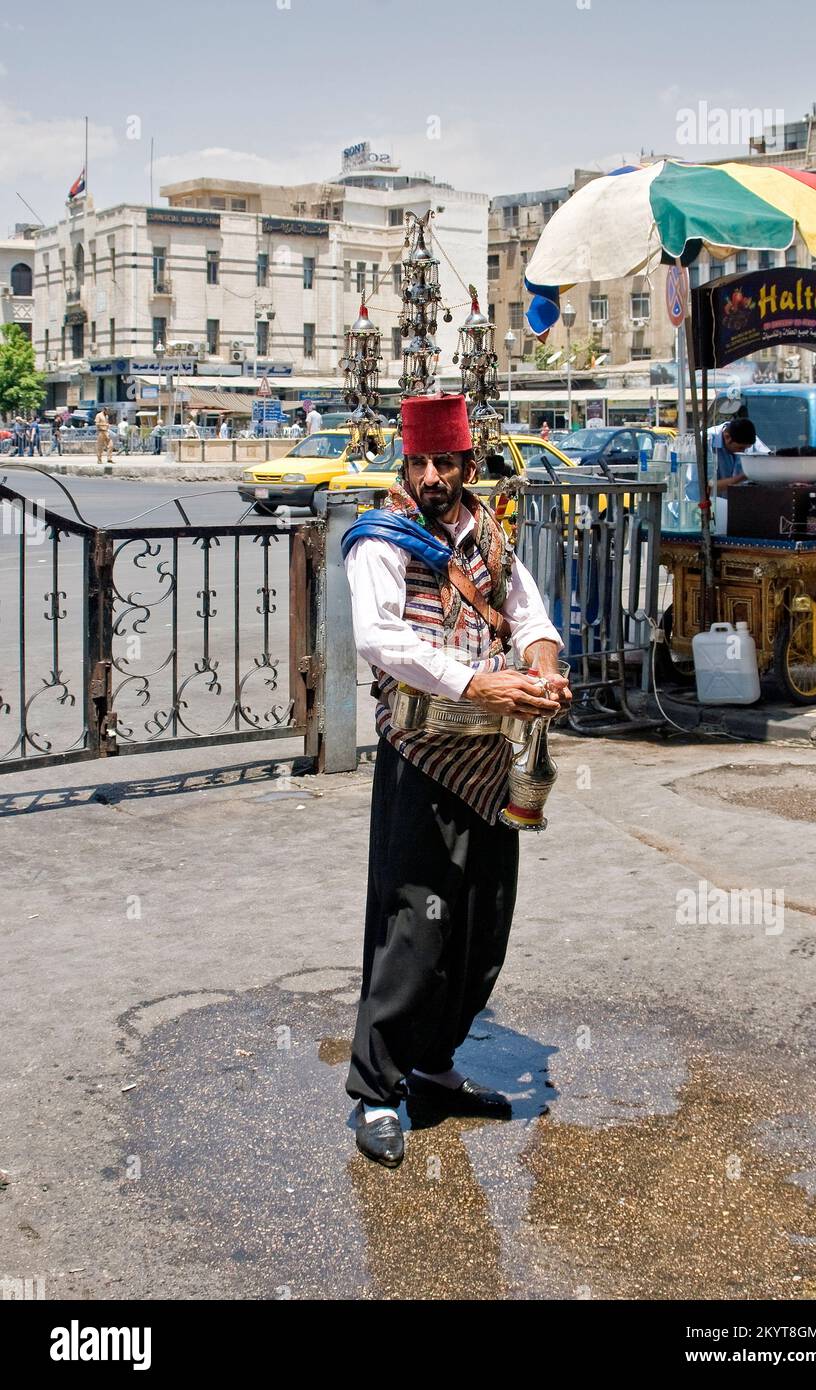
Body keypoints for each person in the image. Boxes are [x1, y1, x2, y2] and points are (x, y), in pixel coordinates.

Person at [342, 392, 571, 1168]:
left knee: (481, 922)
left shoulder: (491, 535)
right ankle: (376, 1088)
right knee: (414, 925)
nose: (432, 475)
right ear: (404, 464)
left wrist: (540, 670)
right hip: (422, 751)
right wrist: (476, 685)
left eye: (446, 462)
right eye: (420, 462)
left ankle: (434, 1066)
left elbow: (530, 614)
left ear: (469, 464)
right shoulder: (382, 538)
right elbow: (378, 636)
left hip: (493, 754)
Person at [684, 417, 770, 501]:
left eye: (746, 449)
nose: (743, 452)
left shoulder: (747, 438)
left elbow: (767, 459)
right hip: (699, 507)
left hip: (732, 507)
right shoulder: (705, 442)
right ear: (727, 437)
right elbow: (702, 489)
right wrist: (742, 477)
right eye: (740, 448)